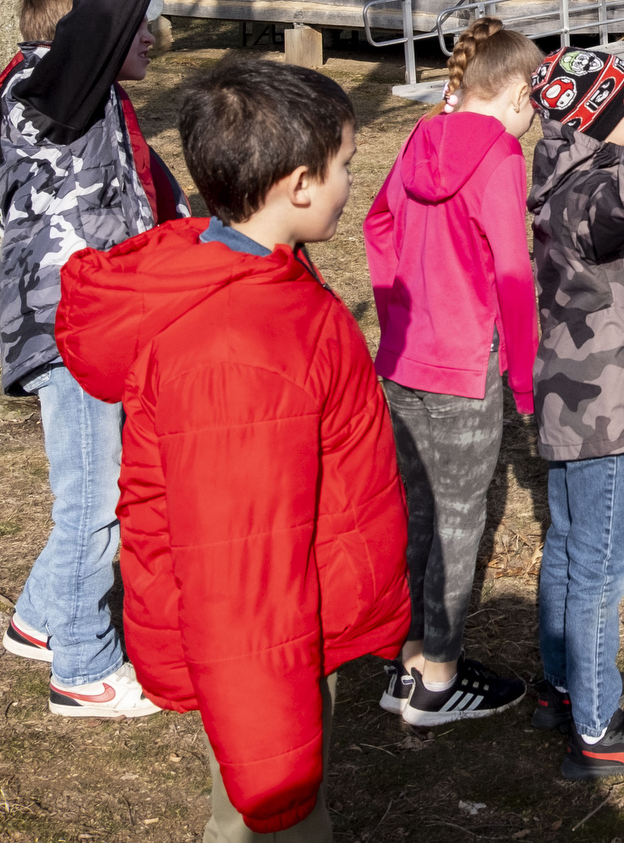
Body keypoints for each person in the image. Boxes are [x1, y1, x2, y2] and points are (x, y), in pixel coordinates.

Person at [55, 58, 409, 841]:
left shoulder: (252, 274)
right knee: (269, 824)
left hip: (296, 628)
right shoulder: (239, 353)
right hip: (265, 655)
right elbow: (240, 572)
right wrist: (272, 768)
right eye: (346, 165)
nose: (353, 182)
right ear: (299, 185)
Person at [0, 0, 190, 718]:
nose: (147, 36)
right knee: (94, 503)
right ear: (88, 38)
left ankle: (37, 622)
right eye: (136, 24)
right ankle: (84, 670)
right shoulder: (52, 90)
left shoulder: (101, 115)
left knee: (95, 491)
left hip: (99, 321)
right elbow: (102, 12)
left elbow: (157, 212)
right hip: (71, 328)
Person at [363, 18, 542, 727]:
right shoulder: (500, 155)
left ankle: (407, 661)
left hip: (404, 356)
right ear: (518, 93)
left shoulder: (416, 138)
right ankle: (438, 677)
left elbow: (377, 224)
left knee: (417, 514)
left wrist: (397, 304)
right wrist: (523, 377)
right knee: (460, 520)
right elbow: (512, 272)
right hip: (466, 364)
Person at [526, 21, 624, 780]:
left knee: (566, 548)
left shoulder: (567, 173)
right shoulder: (593, 193)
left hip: (573, 402)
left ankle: (563, 685)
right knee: (599, 567)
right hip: (605, 408)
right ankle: (598, 724)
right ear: (601, 113)